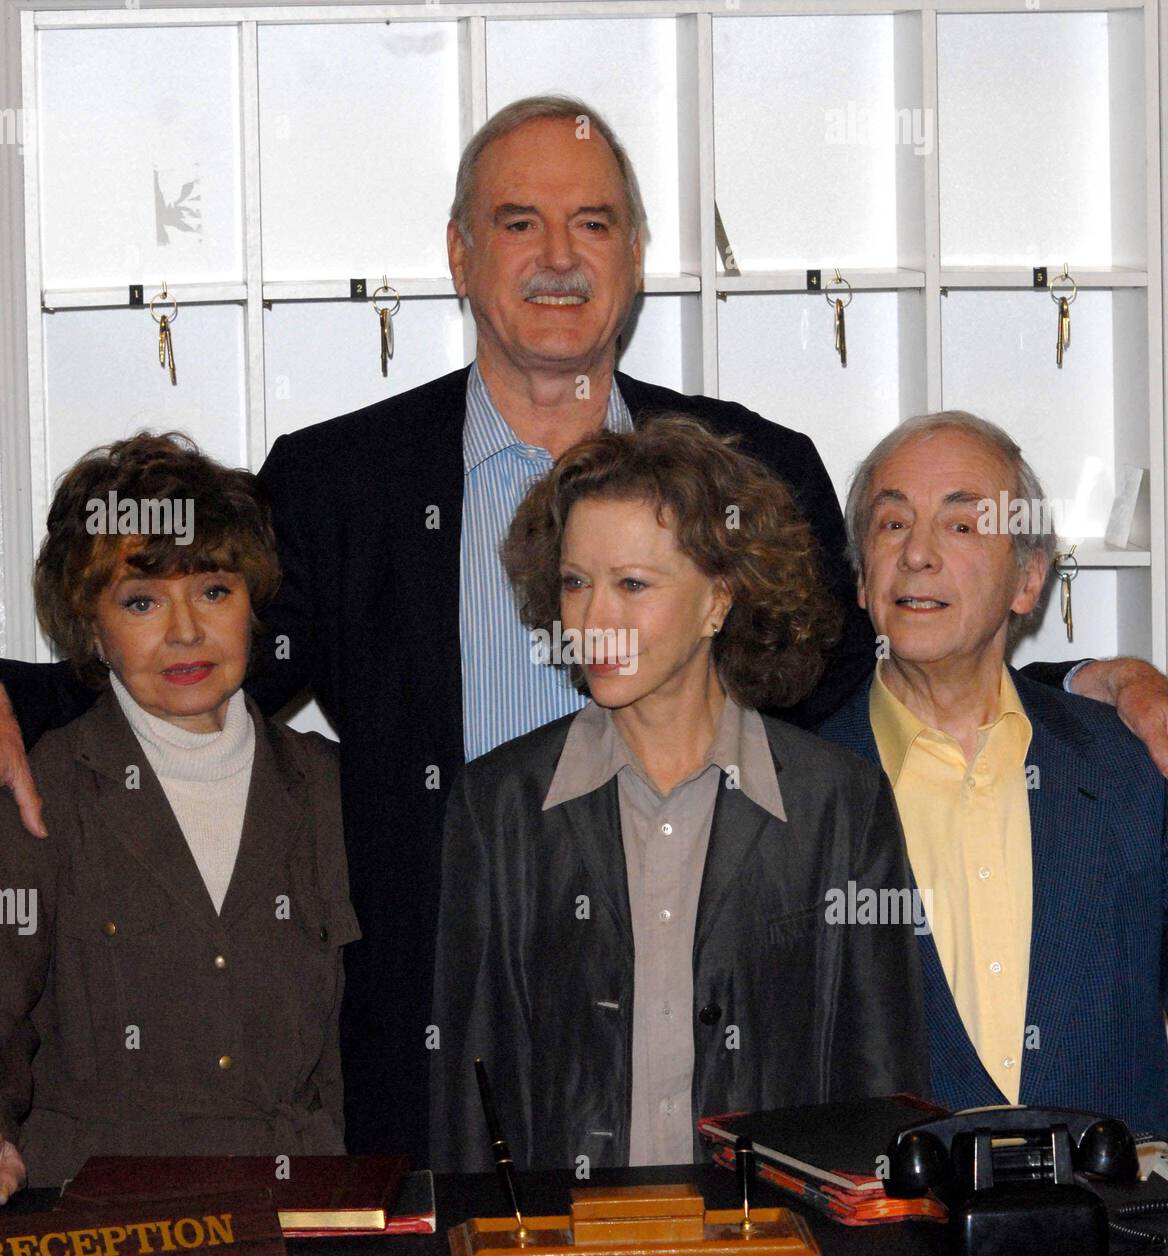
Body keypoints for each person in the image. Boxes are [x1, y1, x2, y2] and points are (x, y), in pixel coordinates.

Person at [1, 98, 1165, 1165]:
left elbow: (869, 673)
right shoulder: (337, 481)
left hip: (728, 1058)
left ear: (635, 258)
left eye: (592, 223)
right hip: (447, 1049)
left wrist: (1066, 681)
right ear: (460, 254)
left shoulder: (757, 470)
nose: (558, 256)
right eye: (519, 222)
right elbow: (195, 661)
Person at [430, 416, 929, 1173]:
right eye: (575, 583)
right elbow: (470, 1088)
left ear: (719, 601)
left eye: (632, 584)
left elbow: (882, 1081)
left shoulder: (838, 804)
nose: (595, 620)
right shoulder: (500, 805)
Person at [0, 434, 360, 1200]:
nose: (186, 631)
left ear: (253, 604)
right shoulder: (45, 791)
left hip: (304, 1216)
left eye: (214, 591)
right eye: (141, 602)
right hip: (97, 1218)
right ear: (89, 627)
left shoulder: (330, 787)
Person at [818, 412, 1168, 1134]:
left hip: (1128, 1236)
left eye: (962, 526)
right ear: (861, 581)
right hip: (889, 1240)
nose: (917, 555)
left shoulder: (1133, 769)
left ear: (1029, 579)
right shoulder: (794, 795)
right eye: (890, 525)